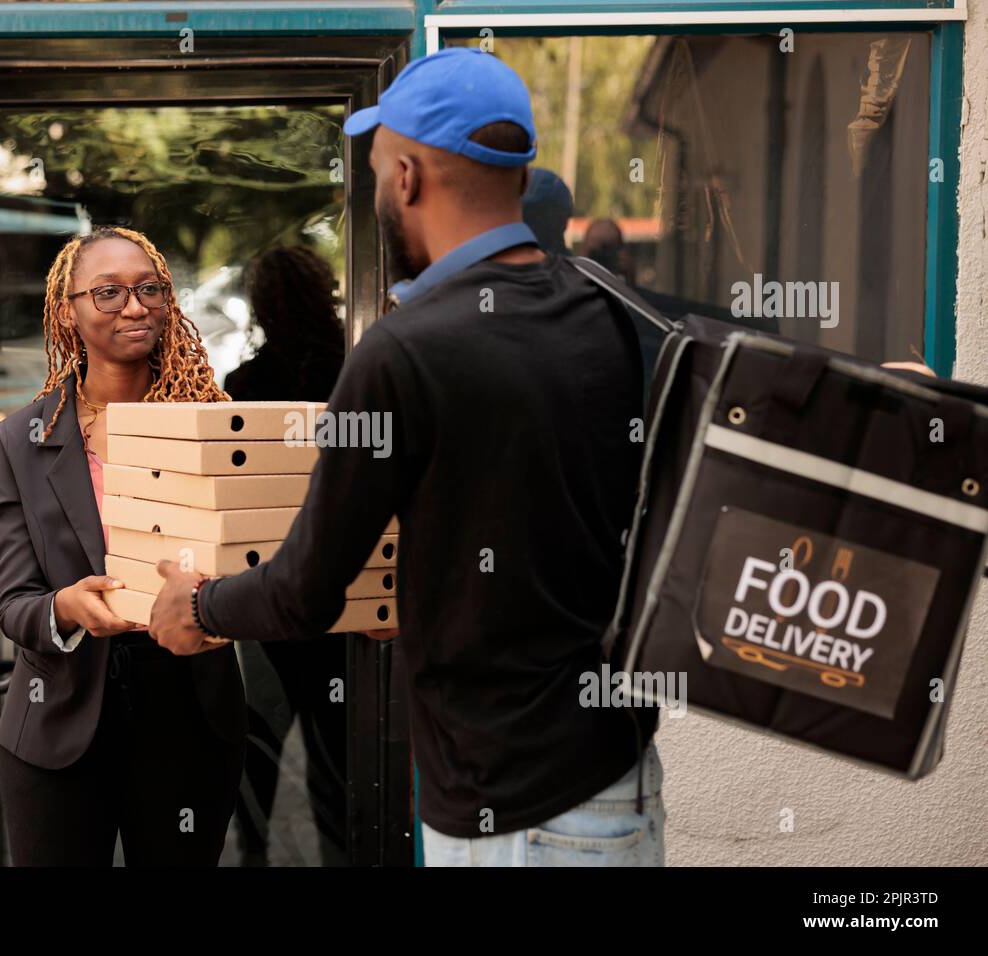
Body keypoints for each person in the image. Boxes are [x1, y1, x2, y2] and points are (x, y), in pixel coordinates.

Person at [147, 48, 665, 866]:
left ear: (409, 178)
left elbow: (302, 593)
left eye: (379, 164)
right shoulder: (605, 312)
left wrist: (198, 608)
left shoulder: (405, 351)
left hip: (513, 812)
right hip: (618, 778)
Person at [0, 225, 246, 866]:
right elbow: (15, 604)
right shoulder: (22, 438)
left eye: (148, 289)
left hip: (188, 714)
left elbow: (256, 558)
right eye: (107, 293)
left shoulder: (214, 425)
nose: (134, 307)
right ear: (67, 311)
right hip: (59, 723)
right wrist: (68, 608)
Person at [224, 246, 349, 865]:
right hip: (345, 597)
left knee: (260, 746)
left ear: (263, 309)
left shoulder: (243, 388)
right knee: (340, 757)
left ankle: (252, 856)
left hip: (265, 593)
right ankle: (343, 854)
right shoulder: (356, 371)